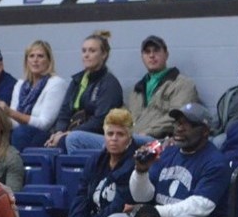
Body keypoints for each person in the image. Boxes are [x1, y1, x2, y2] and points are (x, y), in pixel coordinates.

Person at [96, 103, 231, 217]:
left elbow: (200, 207)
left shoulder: (216, 162)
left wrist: (154, 212)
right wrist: (141, 172)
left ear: (204, 131)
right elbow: (142, 196)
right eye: (177, 123)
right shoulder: (168, 152)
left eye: (187, 124)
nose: (179, 128)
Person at [66, 35, 199, 153]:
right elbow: (126, 117)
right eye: (147, 52)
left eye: (156, 51)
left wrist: (148, 132)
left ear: (166, 54)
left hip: (157, 140)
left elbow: (179, 118)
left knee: (75, 138)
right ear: (142, 57)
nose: (151, 55)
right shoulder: (138, 89)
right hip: (131, 138)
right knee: (75, 139)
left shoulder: (182, 84)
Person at [45, 31, 123, 149]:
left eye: (92, 51)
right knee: (41, 140)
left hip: (97, 135)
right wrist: (59, 132)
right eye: (84, 51)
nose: (86, 55)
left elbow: (101, 120)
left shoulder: (109, 83)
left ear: (104, 54)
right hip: (72, 131)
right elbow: (64, 113)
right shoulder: (77, 80)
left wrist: (70, 133)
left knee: (65, 141)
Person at [65, 108, 136, 217]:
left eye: (120, 134)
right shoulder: (95, 160)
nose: (114, 139)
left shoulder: (134, 164)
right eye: (110, 134)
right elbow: (81, 196)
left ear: (129, 138)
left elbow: (118, 206)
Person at [2, 40, 66, 150]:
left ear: (49, 60)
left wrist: (11, 112)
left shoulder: (56, 83)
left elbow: (44, 124)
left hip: (45, 136)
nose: (35, 60)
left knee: (21, 132)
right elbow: (14, 122)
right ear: (26, 61)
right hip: (20, 134)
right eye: (31, 56)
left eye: (40, 56)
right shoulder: (20, 84)